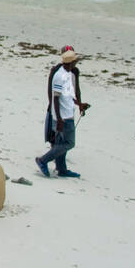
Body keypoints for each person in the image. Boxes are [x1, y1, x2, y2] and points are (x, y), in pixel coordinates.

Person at [36, 48, 83, 178]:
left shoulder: (71, 72)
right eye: (74, 62)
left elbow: (71, 93)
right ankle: (43, 160)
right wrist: (59, 118)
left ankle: (62, 169)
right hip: (62, 116)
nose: (76, 64)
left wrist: (79, 104)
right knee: (69, 143)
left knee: (60, 143)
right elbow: (55, 97)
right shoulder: (58, 74)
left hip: (67, 113)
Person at [44, 45, 89, 145]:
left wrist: (80, 105)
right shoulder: (56, 71)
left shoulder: (75, 71)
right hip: (56, 105)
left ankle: (57, 153)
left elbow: (76, 89)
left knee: (65, 133)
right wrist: (51, 105)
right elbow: (50, 90)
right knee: (56, 132)